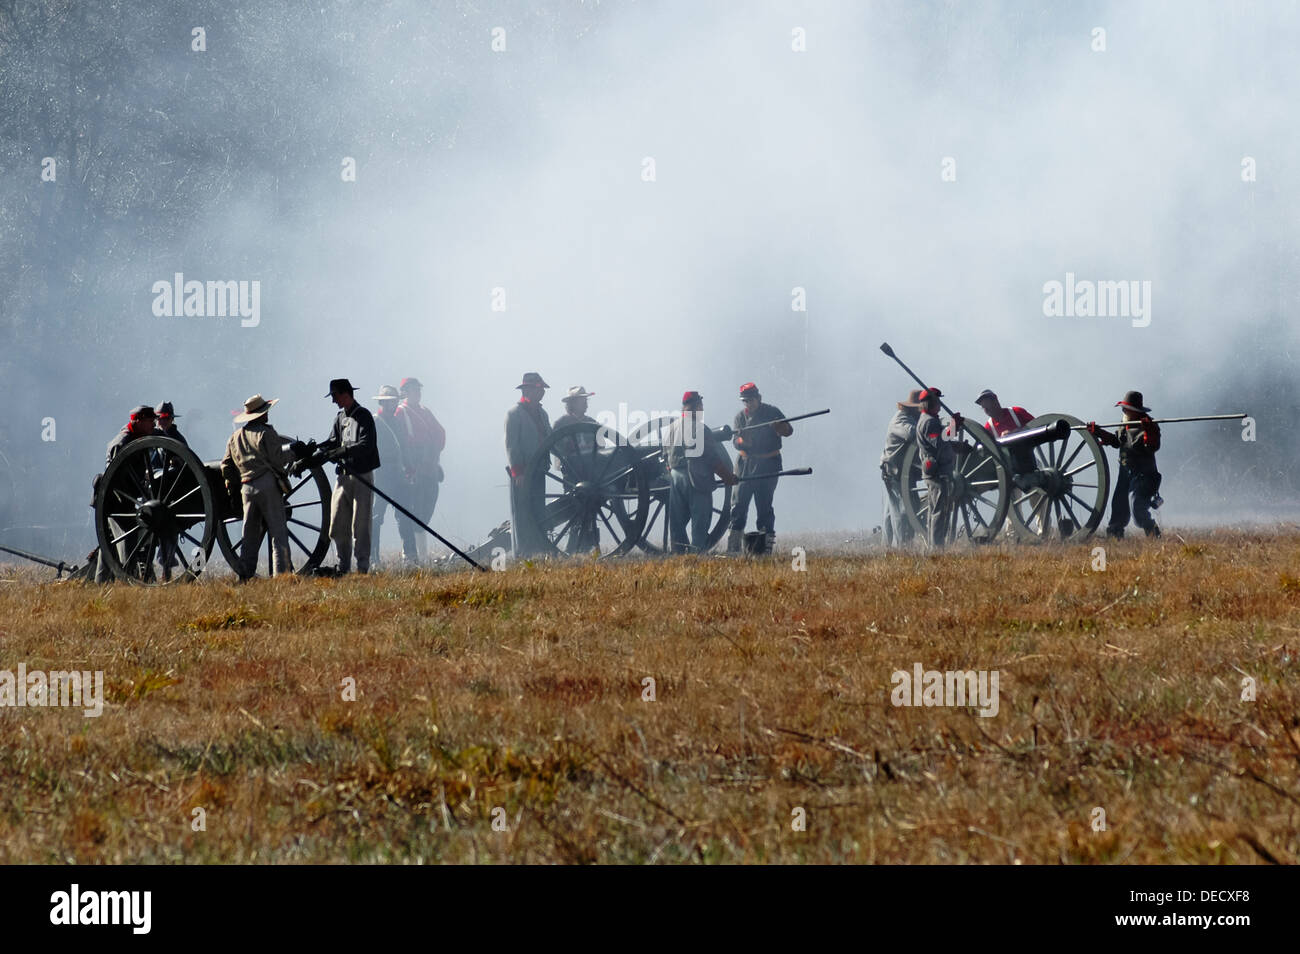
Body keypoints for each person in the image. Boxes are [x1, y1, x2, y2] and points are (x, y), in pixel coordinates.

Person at [219, 394, 294, 579]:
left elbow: (226, 466)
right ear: (261, 415)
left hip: (246, 488)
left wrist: (235, 483)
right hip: (267, 484)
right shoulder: (266, 433)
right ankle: (282, 575)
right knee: (278, 532)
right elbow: (277, 460)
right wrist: (293, 454)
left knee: (249, 535)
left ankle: (245, 574)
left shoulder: (235, 437)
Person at [314, 378, 380, 574]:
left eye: (334, 396)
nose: (333, 401)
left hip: (362, 476)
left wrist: (341, 452)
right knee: (336, 523)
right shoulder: (340, 418)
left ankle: (362, 568)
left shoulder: (364, 416)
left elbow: (366, 445)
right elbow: (333, 441)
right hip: (343, 477)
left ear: (345, 394)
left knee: (361, 525)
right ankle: (343, 566)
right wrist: (318, 450)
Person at [666, 391, 738, 554]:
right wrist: (728, 477)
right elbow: (711, 458)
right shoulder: (700, 429)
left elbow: (665, 455)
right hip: (697, 477)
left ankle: (678, 552)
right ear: (697, 406)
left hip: (676, 477)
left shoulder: (672, 428)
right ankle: (697, 555)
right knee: (701, 519)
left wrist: (673, 471)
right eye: (701, 406)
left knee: (677, 520)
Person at [94, 405, 159, 581]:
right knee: (126, 540)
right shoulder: (122, 443)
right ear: (137, 421)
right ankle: (129, 580)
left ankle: (100, 583)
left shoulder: (140, 436)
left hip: (126, 499)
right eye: (150, 421)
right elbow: (114, 477)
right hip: (115, 500)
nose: (153, 424)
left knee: (109, 545)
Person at [726, 382, 792, 553]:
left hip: (767, 465)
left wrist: (780, 427)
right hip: (744, 466)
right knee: (738, 507)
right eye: (745, 401)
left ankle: (764, 550)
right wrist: (742, 442)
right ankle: (733, 550)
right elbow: (735, 441)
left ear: (758, 398)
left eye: (751, 400)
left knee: (764, 507)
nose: (748, 404)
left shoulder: (772, 412)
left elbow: (788, 431)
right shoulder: (740, 417)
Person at [1088, 390, 1162, 539]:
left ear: (1135, 411)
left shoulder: (1149, 426)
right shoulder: (1125, 424)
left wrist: (1148, 431)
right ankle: (1115, 534)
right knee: (1119, 504)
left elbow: (1152, 447)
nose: (1123, 411)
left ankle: (1152, 531)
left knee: (1137, 507)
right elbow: (1117, 441)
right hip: (1125, 473)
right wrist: (1099, 432)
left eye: (1126, 409)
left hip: (1143, 476)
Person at [393, 376, 445, 563]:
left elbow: (440, 433)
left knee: (427, 508)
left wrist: (433, 453)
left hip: (429, 465)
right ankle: (413, 554)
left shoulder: (425, 411)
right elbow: (401, 441)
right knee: (415, 511)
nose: (418, 393)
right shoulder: (401, 412)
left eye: (419, 390)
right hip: (413, 467)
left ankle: (419, 554)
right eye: (414, 389)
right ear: (405, 392)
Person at [504, 372, 553, 558]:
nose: (542, 393)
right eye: (539, 389)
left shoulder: (542, 413)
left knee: (538, 510)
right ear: (528, 390)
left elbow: (550, 438)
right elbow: (512, 445)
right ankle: (524, 553)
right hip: (523, 473)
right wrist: (518, 472)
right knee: (522, 514)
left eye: (542, 390)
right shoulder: (514, 414)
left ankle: (540, 550)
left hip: (540, 470)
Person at [551, 386, 600, 553]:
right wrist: (566, 448)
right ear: (572, 403)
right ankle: (574, 548)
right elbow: (552, 447)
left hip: (591, 473)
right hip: (572, 473)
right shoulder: (561, 424)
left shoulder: (592, 423)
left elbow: (601, 447)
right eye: (582, 400)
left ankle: (585, 547)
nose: (586, 404)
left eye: (586, 400)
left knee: (590, 511)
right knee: (577, 510)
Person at [915, 388, 966, 549]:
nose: (940, 405)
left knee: (935, 509)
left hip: (937, 471)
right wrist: (953, 426)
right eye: (938, 402)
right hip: (938, 472)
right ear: (931, 403)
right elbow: (940, 444)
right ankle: (937, 547)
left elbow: (943, 440)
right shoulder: (929, 422)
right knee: (939, 511)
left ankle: (934, 546)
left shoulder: (929, 420)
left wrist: (953, 427)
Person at [370, 385, 411, 566]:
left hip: (398, 474)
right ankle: (373, 558)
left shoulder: (397, 422)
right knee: (376, 517)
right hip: (381, 475)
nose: (391, 405)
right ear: (381, 403)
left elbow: (403, 447)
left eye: (394, 401)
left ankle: (410, 555)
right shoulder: (375, 422)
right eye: (388, 402)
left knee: (404, 515)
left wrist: (408, 467)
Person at [880, 389, 924, 547]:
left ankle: (888, 548)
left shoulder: (910, 418)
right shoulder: (901, 420)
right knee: (901, 511)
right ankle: (902, 547)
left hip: (902, 471)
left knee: (891, 512)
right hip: (894, 471)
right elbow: (912, 434)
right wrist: (929, 425)